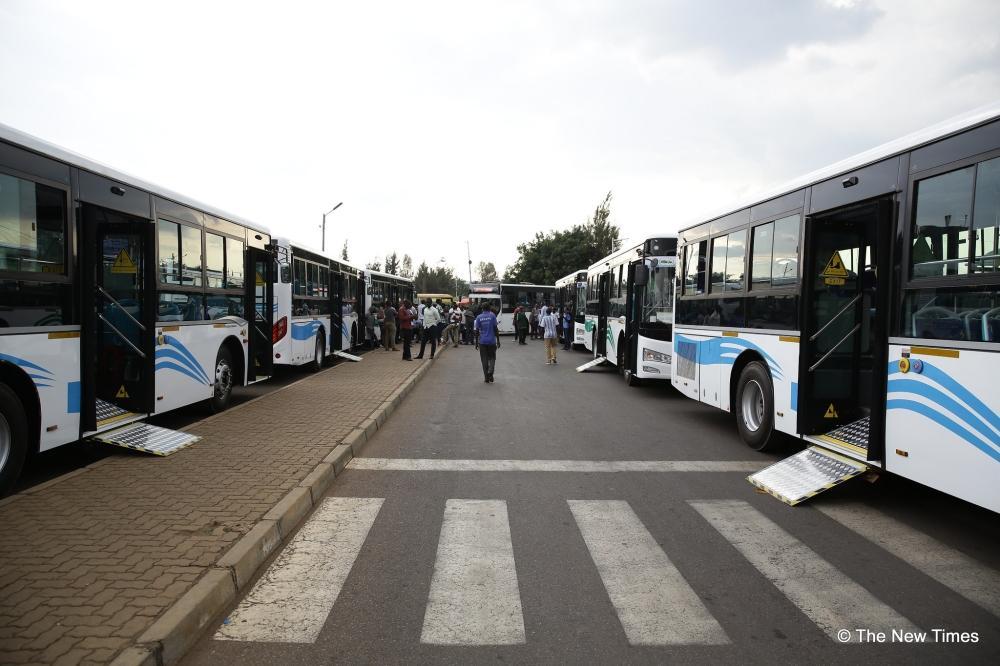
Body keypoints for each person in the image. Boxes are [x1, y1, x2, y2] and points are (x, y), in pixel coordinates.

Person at [474, 303, 501, 382]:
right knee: (492, 358)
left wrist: (476, 343)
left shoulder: (479, 317)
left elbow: (477, 331)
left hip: (482, 342)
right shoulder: (492, 316)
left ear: (482, 309)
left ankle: (486, 378)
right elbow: (495, 328)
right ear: (489, 308)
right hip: (492, 341)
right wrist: (498, 340)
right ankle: (490, 372)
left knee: (484, 360)